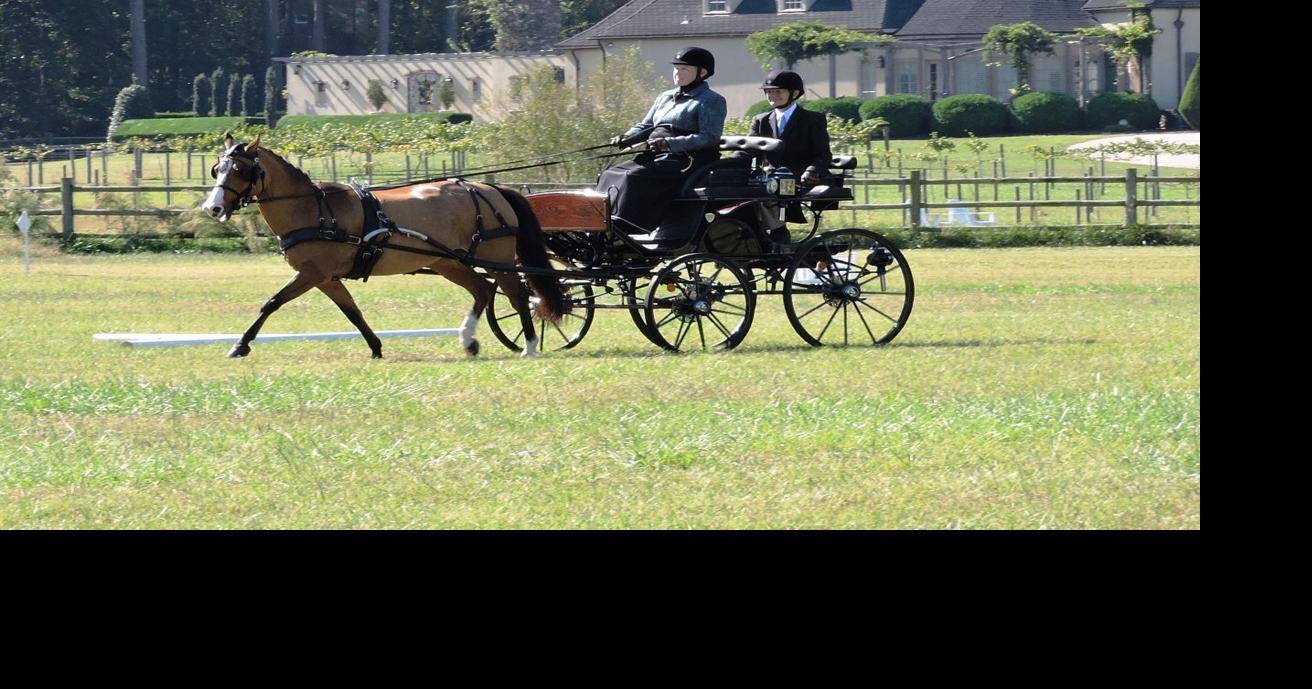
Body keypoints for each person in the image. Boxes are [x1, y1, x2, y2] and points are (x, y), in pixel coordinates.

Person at [597, 47, 727, 233]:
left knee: (633, 177)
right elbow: (645, 126)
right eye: (676, 68)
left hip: (688, 160)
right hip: (657, 155)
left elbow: (709, 137)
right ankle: (599, 221)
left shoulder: (711, 100)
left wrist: (670, 144)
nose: (678, 73)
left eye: (685, 69)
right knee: (610, 173)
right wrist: (626, 137)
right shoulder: (665, 97)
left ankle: (628, 227)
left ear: (702, 72)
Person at [734, 70, 832, 187]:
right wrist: (728, 164)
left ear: (794, 93)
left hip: (801, 179)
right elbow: (748, 149)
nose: (772, 96)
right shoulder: (760, 120)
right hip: (768, 179)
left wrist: (811, 171)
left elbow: (823, 154)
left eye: (778, 91)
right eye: (769, 91)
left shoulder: (813, 120)